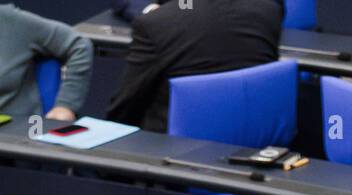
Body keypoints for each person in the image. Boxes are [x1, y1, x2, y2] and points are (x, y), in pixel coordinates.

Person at [106, 0, 283, 133]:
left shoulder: (158, 24)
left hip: (175, 147)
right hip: (257, 136)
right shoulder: (269, 8)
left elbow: (124, 108)